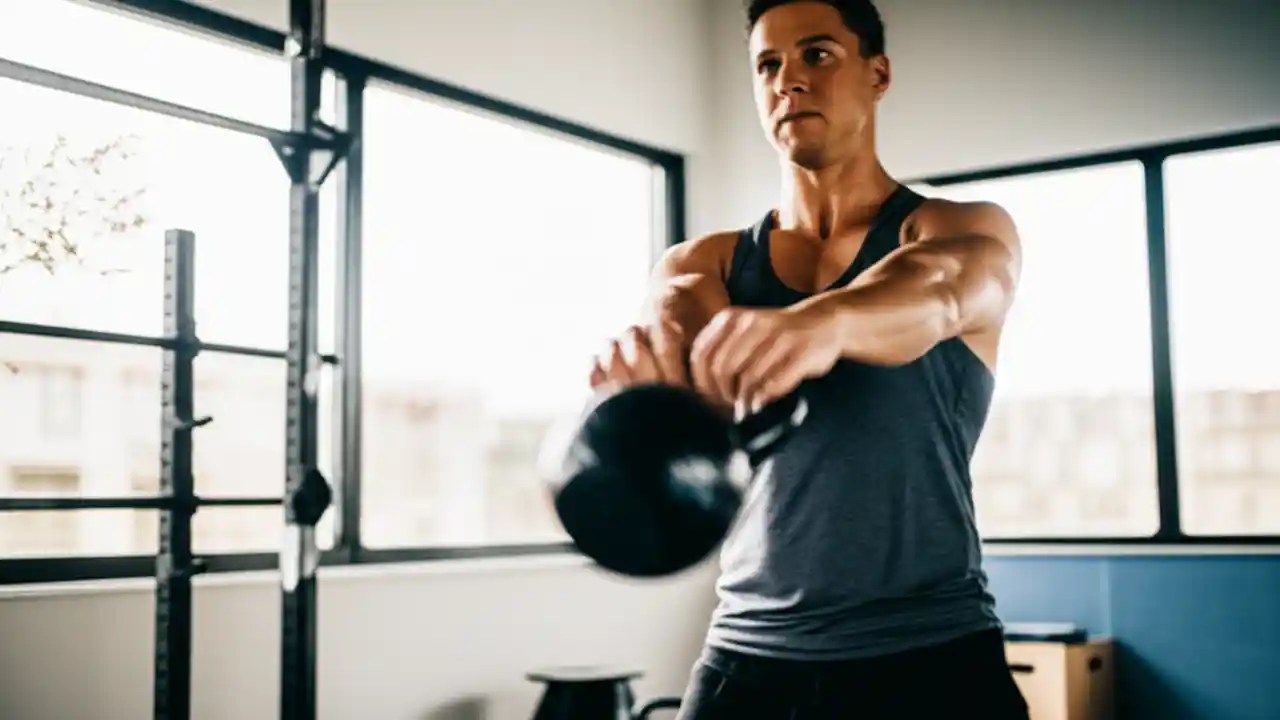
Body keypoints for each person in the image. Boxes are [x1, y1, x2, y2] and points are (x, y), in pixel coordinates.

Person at [588, 0, 1027, 717]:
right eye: (769, 64)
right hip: (748, 664)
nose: (788, 80)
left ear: (877, 73)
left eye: (817, 55)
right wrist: (649, 413)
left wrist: (823, 324)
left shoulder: (952, 229)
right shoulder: (700, 265)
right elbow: (677, 349)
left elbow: (941, 289)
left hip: (932, 658)